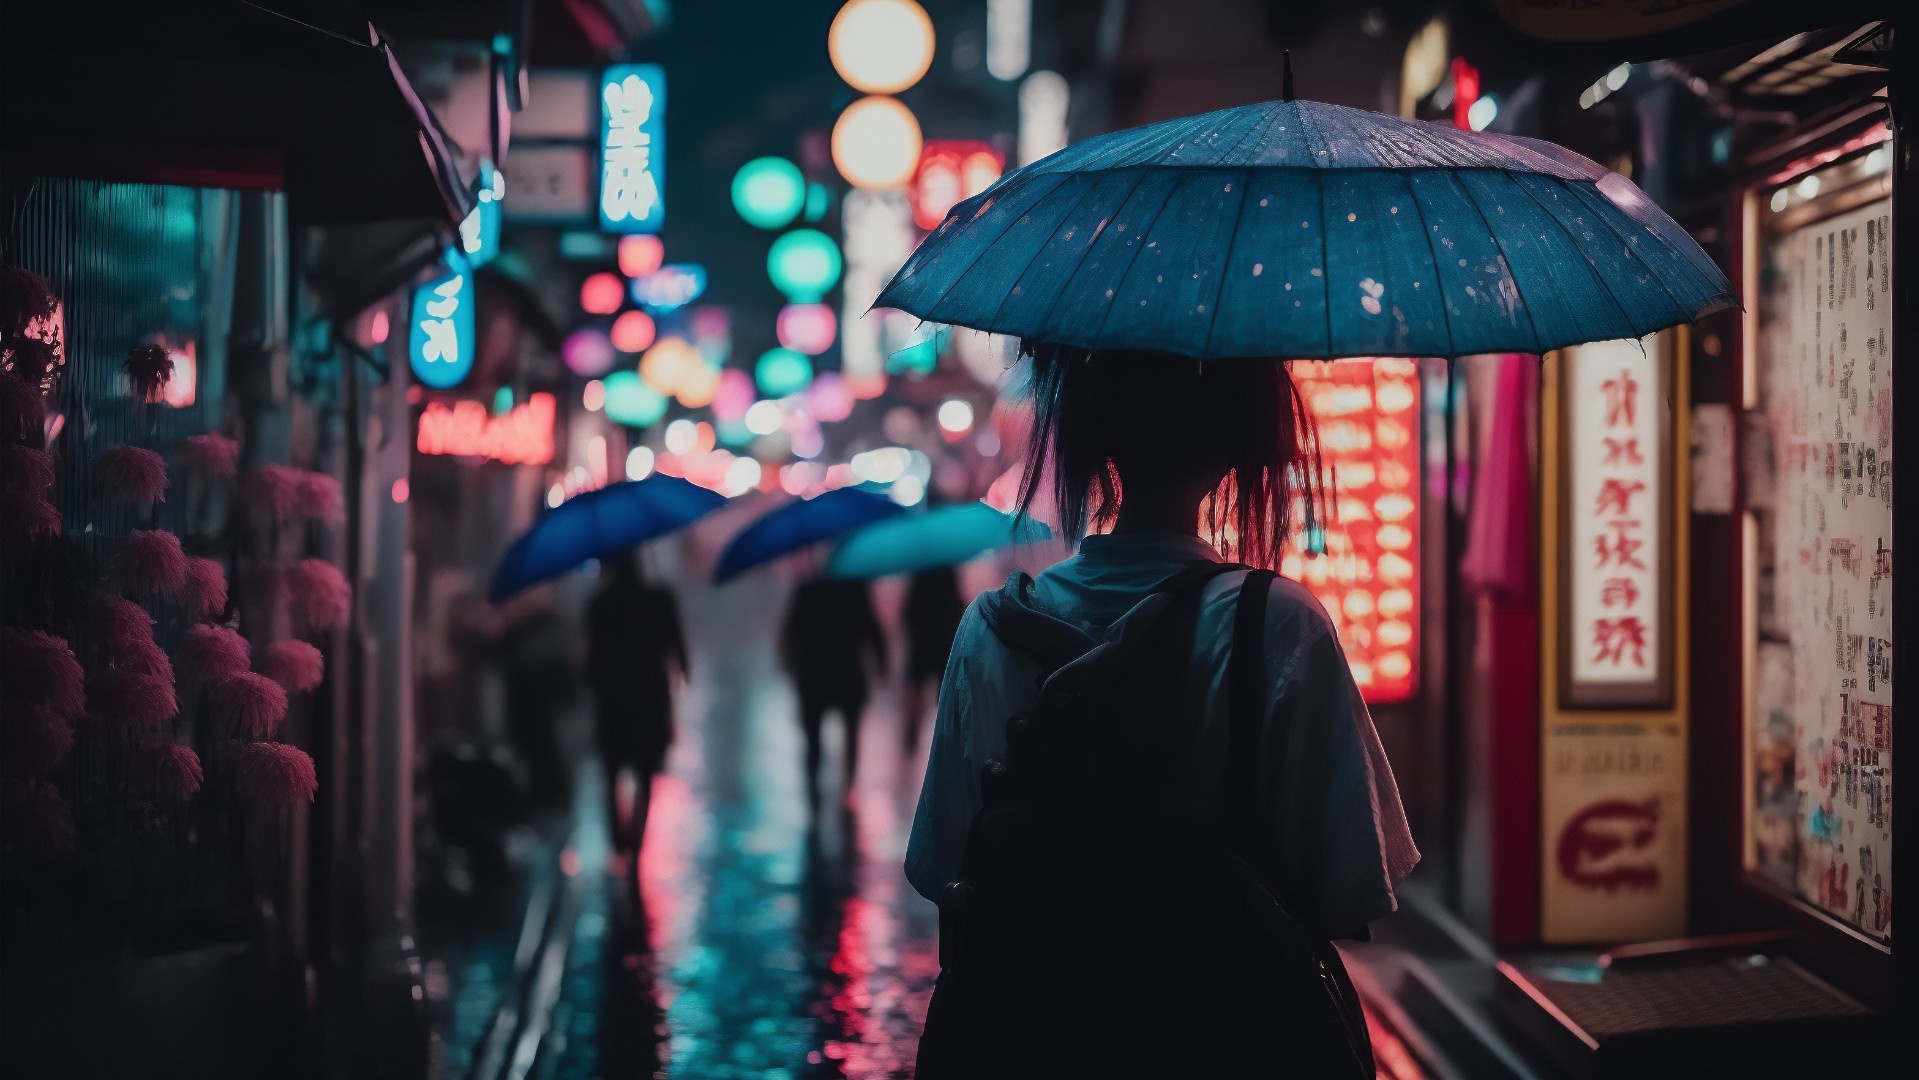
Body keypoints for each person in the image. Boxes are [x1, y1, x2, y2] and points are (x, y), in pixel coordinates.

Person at [906, 344, 1418, 1075]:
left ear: (1094, 437)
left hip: (1033, 1033)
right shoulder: (1275, 624)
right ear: (1237, 444)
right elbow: (1350, 886)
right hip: (1228, 1033)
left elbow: (942, 864)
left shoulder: (991, 629)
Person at [585, 551, 687, 855]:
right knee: (645, 774)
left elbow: (590, 661)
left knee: (611, 772)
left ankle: (618, 839)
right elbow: (677, 645)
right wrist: (683, 675)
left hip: (612, 700)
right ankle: (636, 839)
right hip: (651, 699)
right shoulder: (660, 599)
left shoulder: (600, 604)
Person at [779, 576, 887, 807]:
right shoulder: (855, 588)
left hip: (812, 678)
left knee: (813, 739)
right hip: (847, 676)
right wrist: (881, 665)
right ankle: (849, 785)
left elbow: (791, 633)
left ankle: (813, 789)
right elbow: (871, 629)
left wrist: (789, 665)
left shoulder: (807, 590)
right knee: (851, 733)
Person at [899, 565, 966, 756]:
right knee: (944, 691)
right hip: (944, 642)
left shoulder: (919, 573)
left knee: (916, 686)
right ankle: (946, 731)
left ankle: (912, 729)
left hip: (922, 642)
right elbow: (956, 605)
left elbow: (909, 613)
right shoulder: (947, 570)